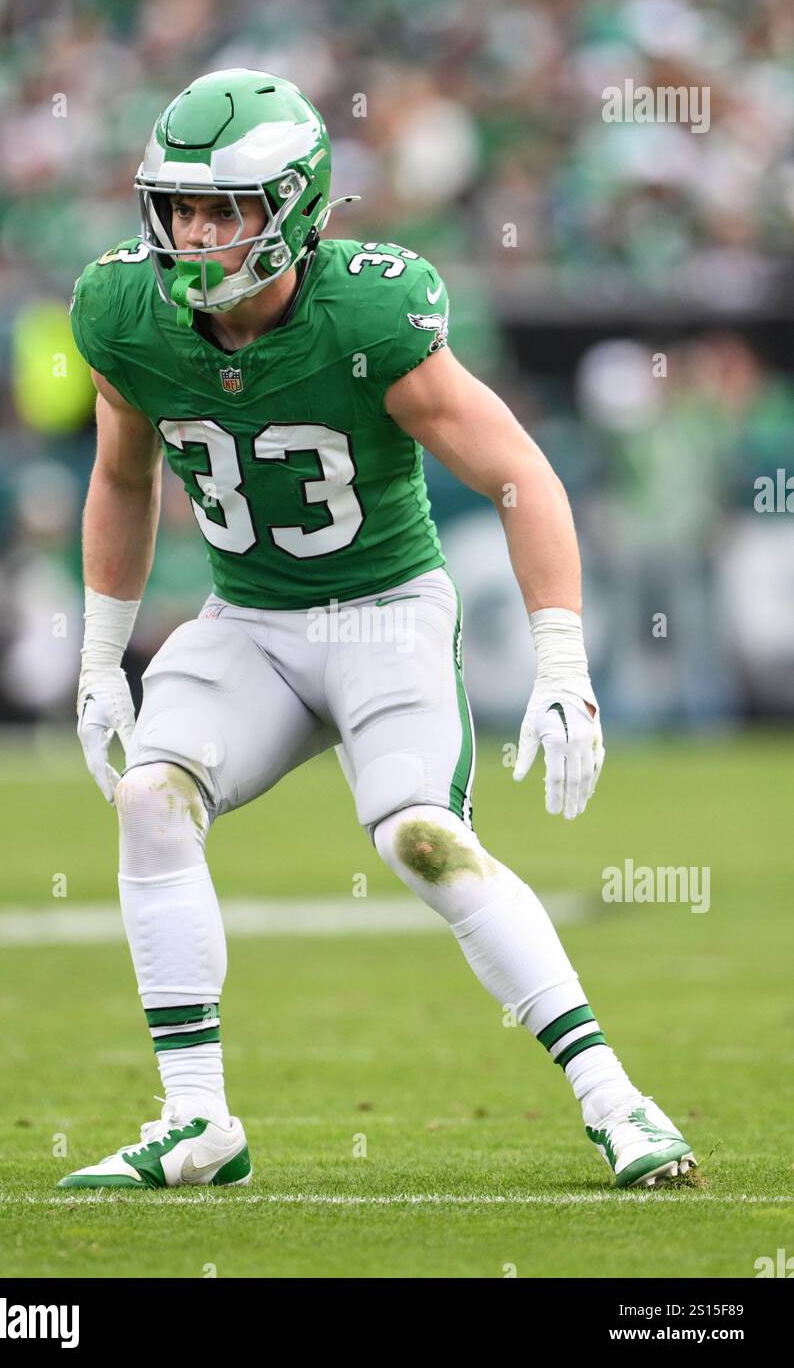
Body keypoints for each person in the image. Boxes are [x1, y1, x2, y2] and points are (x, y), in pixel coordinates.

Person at [59, 69, 695, 1192]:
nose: (198, 235)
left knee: (419, 838)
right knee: (148, 800)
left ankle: (617, 1099)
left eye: (228, 209)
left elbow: (518, 474)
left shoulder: (366, 312)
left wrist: (560, 656)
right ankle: (197, 1122)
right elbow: (122, 477)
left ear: (296, 207)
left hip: (383, 614)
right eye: (183, 208)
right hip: (246, 619)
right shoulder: (122, 314)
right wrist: (103, 652)